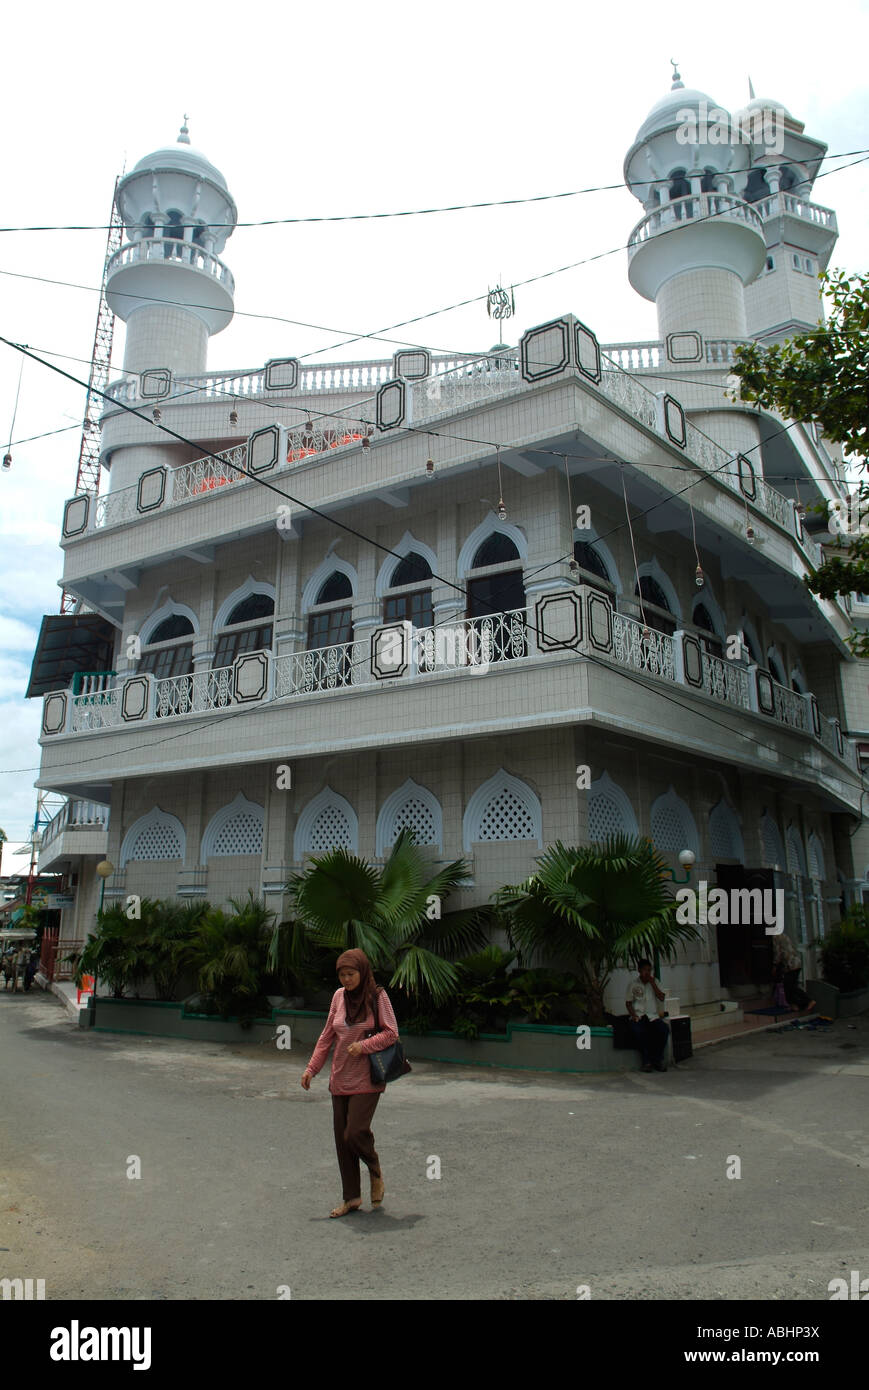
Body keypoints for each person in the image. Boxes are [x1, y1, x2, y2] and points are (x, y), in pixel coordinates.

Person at [301, 948, 399, 1218]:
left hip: (368, 1078)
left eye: (351, 974)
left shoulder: (377, 996)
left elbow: (392, 1033)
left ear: (362, 971)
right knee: (342, 1143)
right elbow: (327, 1036)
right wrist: (311, 1069)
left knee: (354, 1132)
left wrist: (364, 1045)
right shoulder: (338, 997)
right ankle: (351, 1198)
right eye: (342, 975)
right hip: (340, 1079)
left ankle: (374, 1167)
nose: (346, 980)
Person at [626, 959, 669, 1072]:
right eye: (645, 970)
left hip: (652, 1016)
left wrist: (653, 983)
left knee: (664, 1030)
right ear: (639, 970)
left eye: (649, 970)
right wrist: (634, 1015)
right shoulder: (633, 984)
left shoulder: (655, 982)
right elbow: (628, 1003)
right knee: (639, 1032)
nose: (647, 973)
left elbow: (662, 997)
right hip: (638, 1015)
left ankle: (657, 1059)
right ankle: (646, 1062)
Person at [771, 933, 816, 1014]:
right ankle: (795, 1006)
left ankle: (808, 1001)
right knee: (789, 986)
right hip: (795, 962)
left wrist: (775, 965)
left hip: (791, 964)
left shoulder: (775, 937)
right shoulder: (783, 935)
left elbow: (778, 953)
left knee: (790, 986)